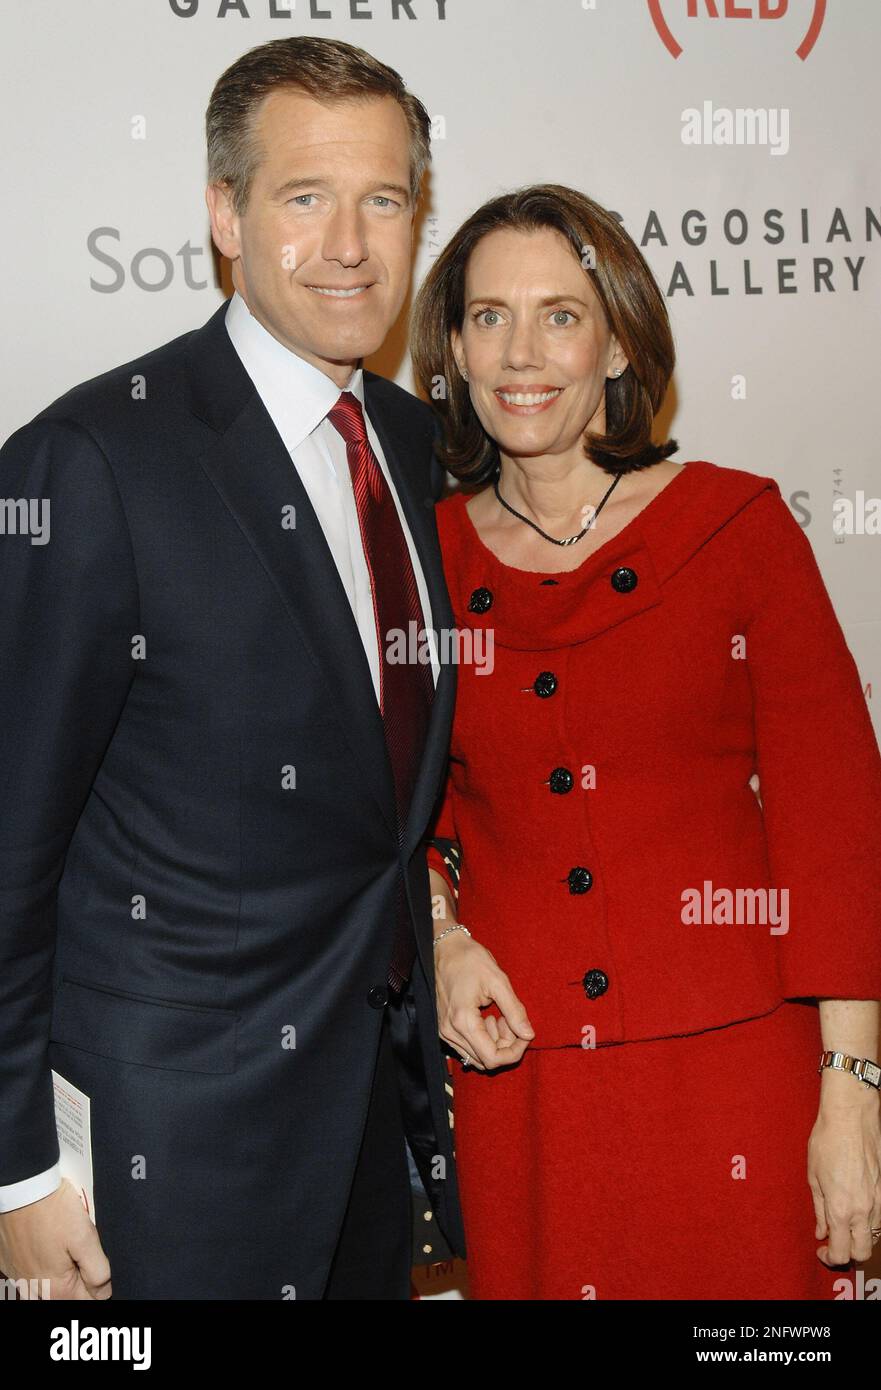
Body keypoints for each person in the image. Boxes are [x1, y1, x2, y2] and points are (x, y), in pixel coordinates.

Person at [0, 36, 465, 1301]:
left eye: (383, 199)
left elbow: (374, 798)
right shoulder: (94, 459)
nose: (350, 244)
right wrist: (17, 1174)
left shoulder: (413, 444)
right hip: (168, 1155)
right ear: (223, 214)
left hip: (371, 1125)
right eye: (302, 197)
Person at [411, 183, 881, 1300]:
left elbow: (834, 824)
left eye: (559, 316)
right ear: (453, 353)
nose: (521, 354)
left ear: (616, 343)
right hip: (524, 1085)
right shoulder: (417, 558)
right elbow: (387, 815)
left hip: (735, 1076)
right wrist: (438, 937)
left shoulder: (735, 525)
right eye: (488, 317)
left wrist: (851, 1091)